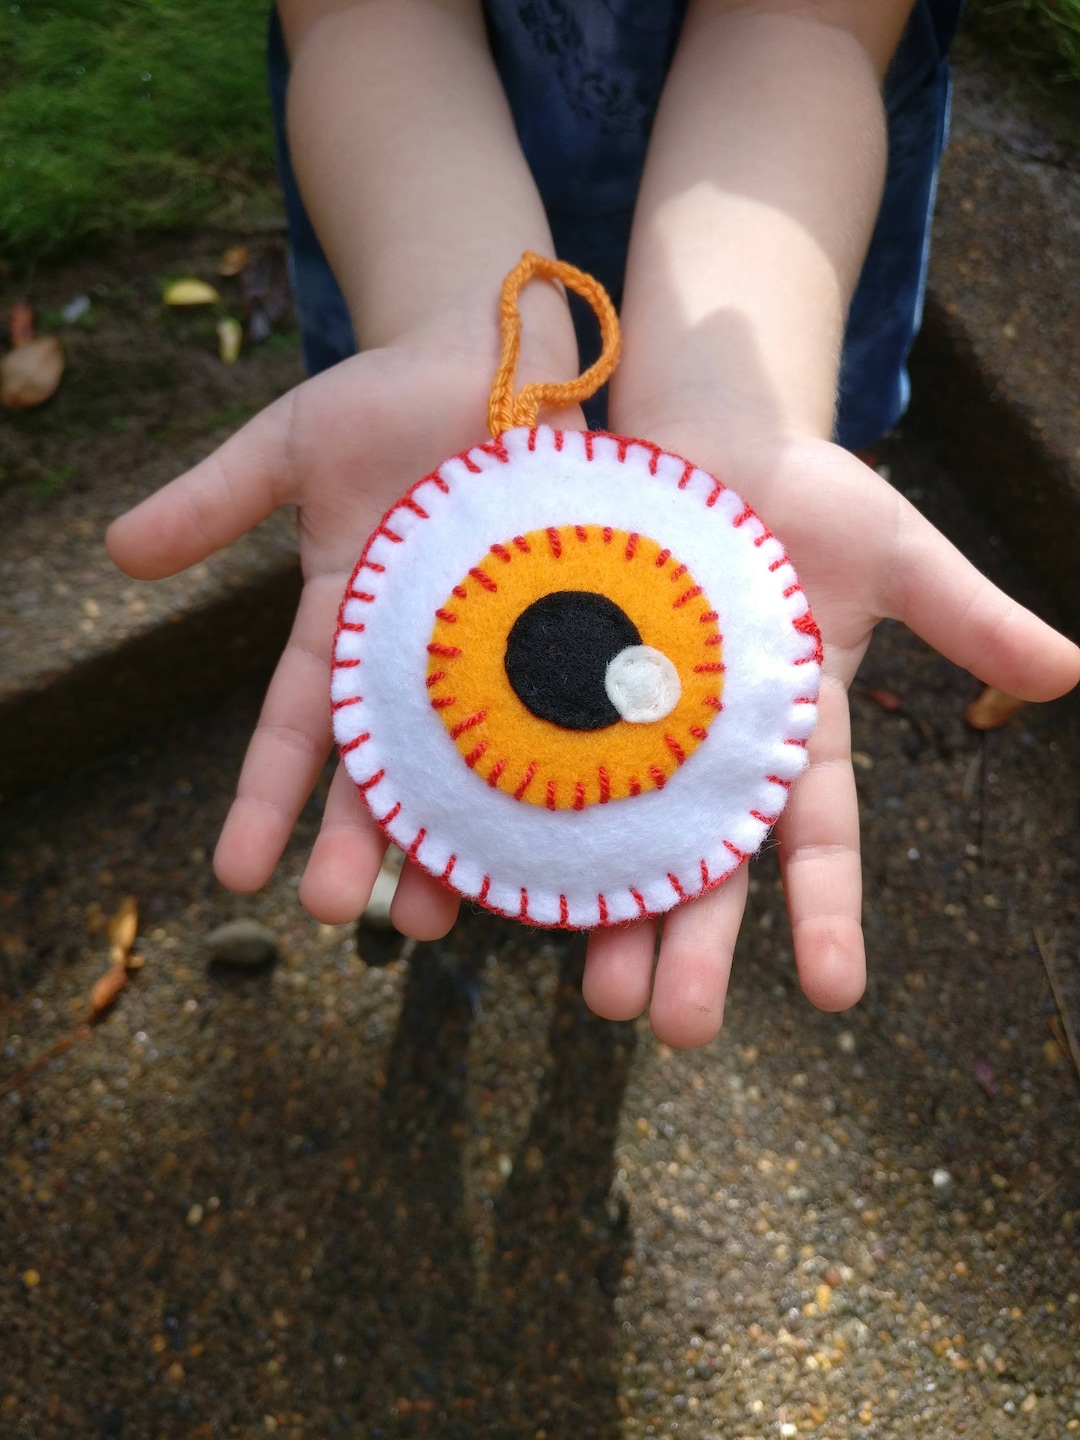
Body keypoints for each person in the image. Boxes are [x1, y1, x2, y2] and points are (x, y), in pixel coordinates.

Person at [106, 0, 1080, 1049]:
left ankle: (542, 863)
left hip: (785, 250)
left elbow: (810, 26)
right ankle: (532, 861)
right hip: (417, 229)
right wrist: (450, 317)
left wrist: (742, 402)